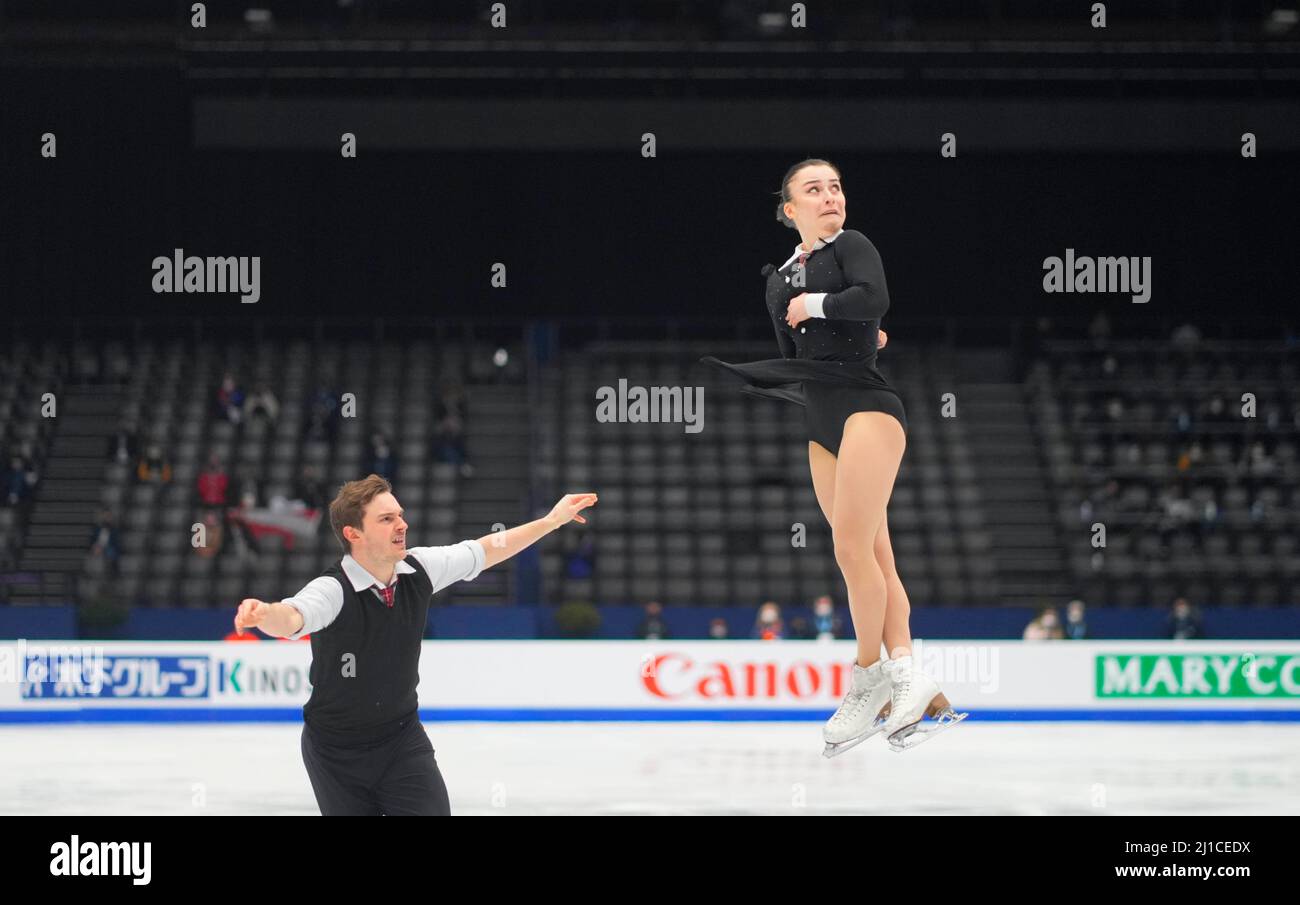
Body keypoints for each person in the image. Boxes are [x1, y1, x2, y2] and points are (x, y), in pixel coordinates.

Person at [701, 158, 963, 756]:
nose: (830, 197)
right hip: (819, 418)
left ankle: (869, 676)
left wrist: (824, 308)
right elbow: (797, 351)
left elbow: (874, 296)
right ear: (789, 209)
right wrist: (846, 325)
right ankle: (907, 673)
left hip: (868, 406)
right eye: (813, 190)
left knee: (850, 549)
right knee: (873, 554)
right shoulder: (779, 278)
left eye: (836, 187)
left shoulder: (852, 246)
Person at [232, 474, 596, 815]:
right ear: (353, 534)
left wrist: (551, 521)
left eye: (400, 515)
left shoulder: (420, 568)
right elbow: (294, 616)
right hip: (335, 754)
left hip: (401, 741)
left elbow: (487, 550)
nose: (402, 524)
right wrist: (264, 613)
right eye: (386, 519)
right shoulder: (332, 589)